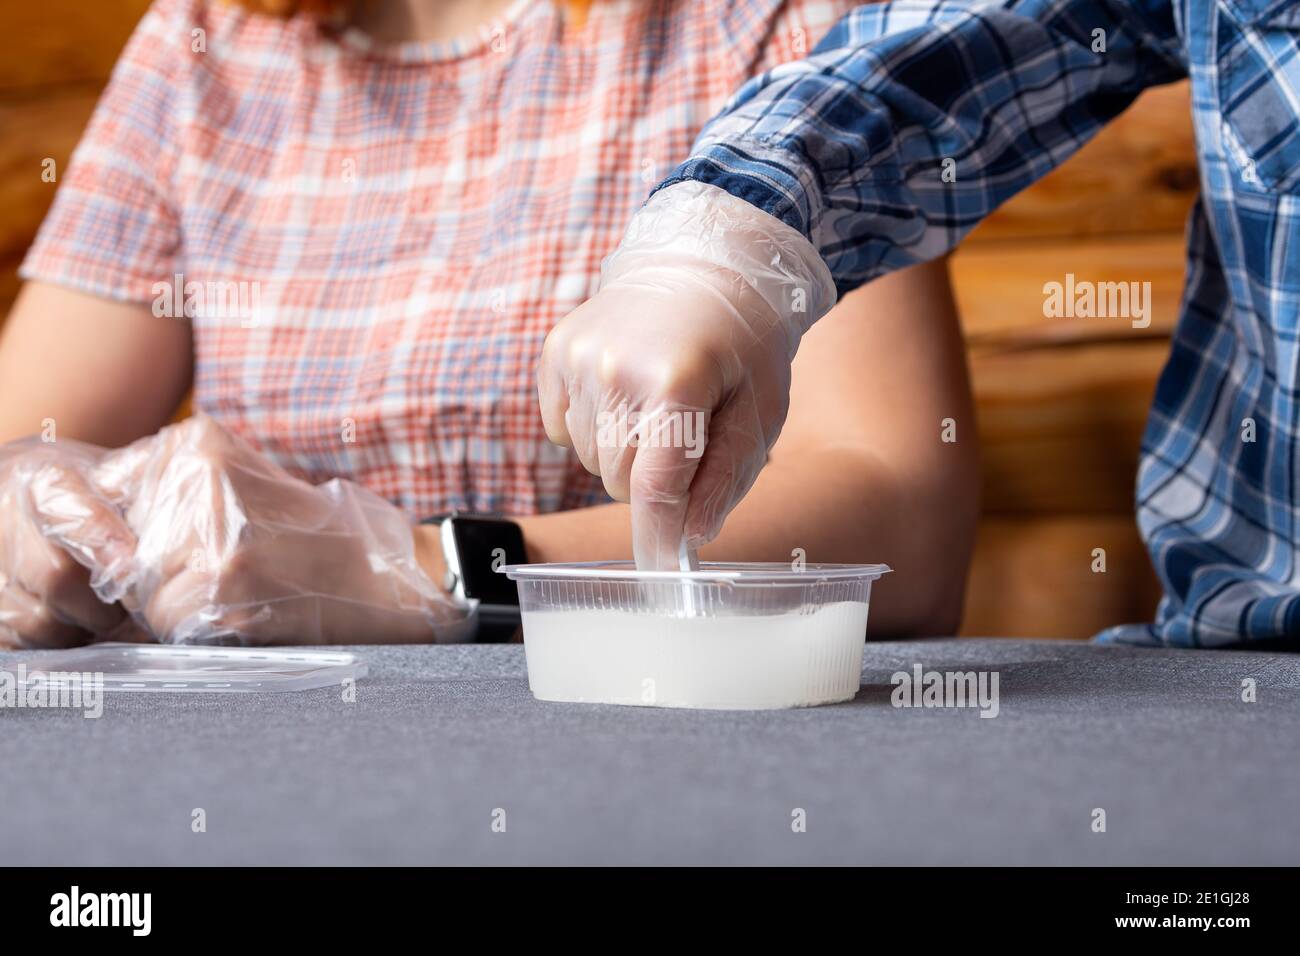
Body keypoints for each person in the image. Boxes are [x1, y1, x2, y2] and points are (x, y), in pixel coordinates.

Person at [0, 0, 979, 648]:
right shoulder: (204, 48)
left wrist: (427, 570)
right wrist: (33, 506)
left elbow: (901, 524)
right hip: (268, 760)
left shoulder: (763, 25)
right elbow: (23, 443)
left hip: (650, 742)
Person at [541, 0, 1300, 648]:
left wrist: (465, 565)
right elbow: (960, 44)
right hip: (1244, 661)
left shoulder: (742, 25)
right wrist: (714, 241)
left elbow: (896, 515)